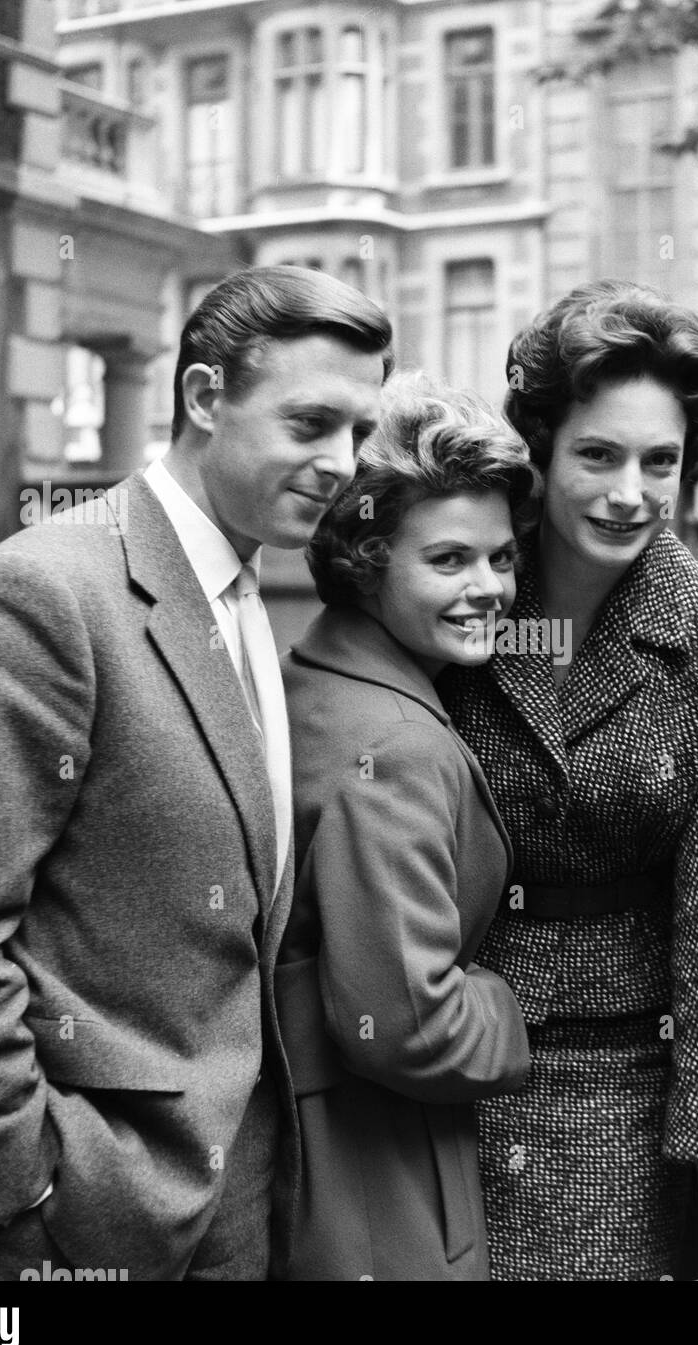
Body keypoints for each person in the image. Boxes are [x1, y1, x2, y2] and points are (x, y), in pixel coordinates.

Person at [0, 265, 390, 1280]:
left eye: (359, 435)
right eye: (312, 422)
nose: (341, 463)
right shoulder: (44, 594)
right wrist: (34, 1192)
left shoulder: (251, 599)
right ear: (202, 397)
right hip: (72, 1223)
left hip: (236, 1203)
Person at [441, 281, 698, 1281]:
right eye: (597, 454)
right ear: (542, 444)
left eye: (660, 461)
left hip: (625, 1082)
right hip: (436, 1059)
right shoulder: (461, 589)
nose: (628, 491)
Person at [275, 374, 536, 1280]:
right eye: (450, 560)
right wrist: (512, 1008)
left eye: (501, 559)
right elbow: (409, 1022)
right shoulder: (396, 743)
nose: (488, 588)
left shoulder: (311, 676)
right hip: (373, 1176)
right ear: (368, 557)